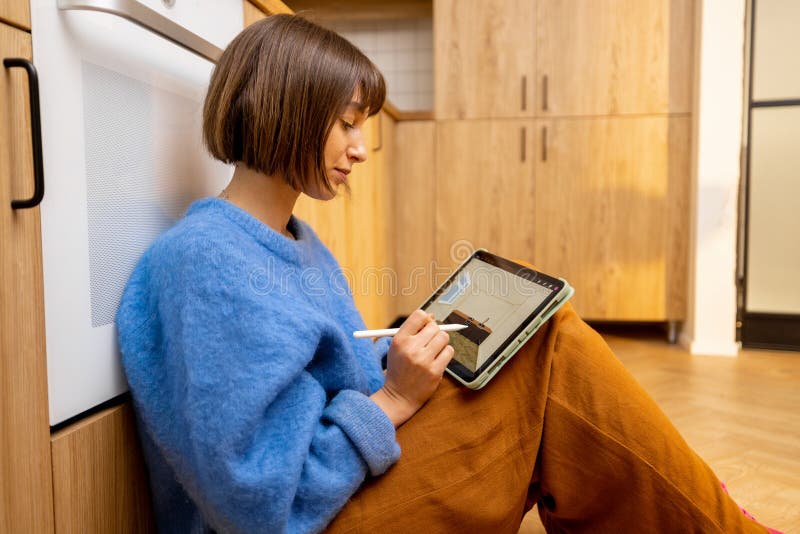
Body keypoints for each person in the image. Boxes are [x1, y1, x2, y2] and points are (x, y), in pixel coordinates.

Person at [116, 14, 779, 534]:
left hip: (344, 490)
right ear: (281, 109)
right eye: (346, 123)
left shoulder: (294, 240)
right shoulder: (207, 262)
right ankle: (704, 515)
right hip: (315, 520)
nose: (359, 149)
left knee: (535, 338)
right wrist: (395, 400)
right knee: (549, 345)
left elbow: (328, 378)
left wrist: (402, 353)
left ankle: (687, 507)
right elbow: (258, 505)